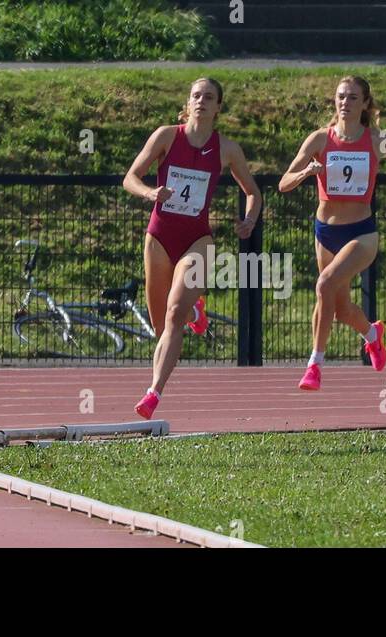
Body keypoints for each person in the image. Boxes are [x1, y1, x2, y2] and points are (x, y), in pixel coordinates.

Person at [123, 78, 262, 418]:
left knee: (173, 315)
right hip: (158, 237)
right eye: (196, 95)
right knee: (162, 327)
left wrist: (249, 220)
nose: (201, 100)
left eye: (209, 96)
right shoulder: (166, 136)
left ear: (218, 107)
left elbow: (254, 192)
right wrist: (149, 193)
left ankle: (153, 393)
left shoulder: (227, 149)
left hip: (198, 240)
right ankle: (194, 313)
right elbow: (130, 177)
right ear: (188, 102)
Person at [279, 75, 386, 391]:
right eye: (341, 97)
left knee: (324, 284)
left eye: (352, 98)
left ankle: (314, 365)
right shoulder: (319, 139)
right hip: (325, 231)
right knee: (340, 307)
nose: (345, 103)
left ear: (364, 103)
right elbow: (283, 182)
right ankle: (372, 335)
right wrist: (306, 172)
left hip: (361, 233)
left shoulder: (377, 139)